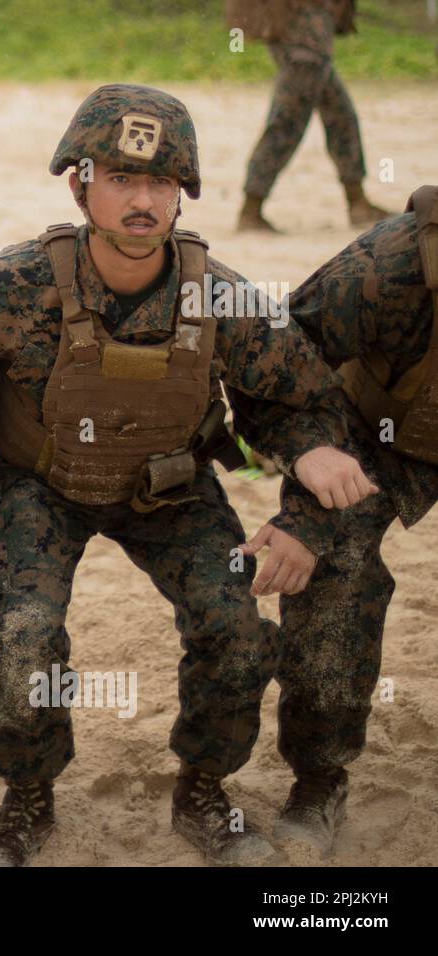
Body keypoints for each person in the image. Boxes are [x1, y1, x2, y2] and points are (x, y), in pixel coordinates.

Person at [0, 83, 374, 866]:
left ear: (181, 196)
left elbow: (306, 402)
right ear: (81, 185)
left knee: (237, 627)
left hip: (167, 488)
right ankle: (26, 801)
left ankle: (203, 790)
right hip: (41, 484)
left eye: (161, 184)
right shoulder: (1, 287)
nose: (143, 200)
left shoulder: (221, 296)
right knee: (23, 638)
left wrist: (307, 462)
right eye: (122, 180)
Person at [234, 185, 438, 856]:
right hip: (372, 434)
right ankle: (320, 774)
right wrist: (306, 505)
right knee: (335, 569)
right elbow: (282, 367)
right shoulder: (389, 266)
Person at [228, 0, 390, 231]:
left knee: (340, 114)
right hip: (299, 27)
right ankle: (251, 209)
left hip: (307, 26)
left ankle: (357, 201)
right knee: (288, 119)